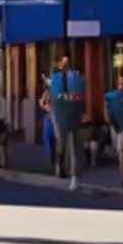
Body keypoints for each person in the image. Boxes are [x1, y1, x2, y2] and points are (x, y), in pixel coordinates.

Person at [50, 56, 85, 190]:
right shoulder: (56, 78)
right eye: (62, 63)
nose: (65, 65)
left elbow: (79, 95)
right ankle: (59, 168)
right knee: (61, 145)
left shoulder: (75, 77)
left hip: (73, 114)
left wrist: (75, 102)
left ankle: (74, 175)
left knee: (74, 146)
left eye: (67, 63)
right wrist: (70, 97)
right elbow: (57, 96)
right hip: (60, 115)